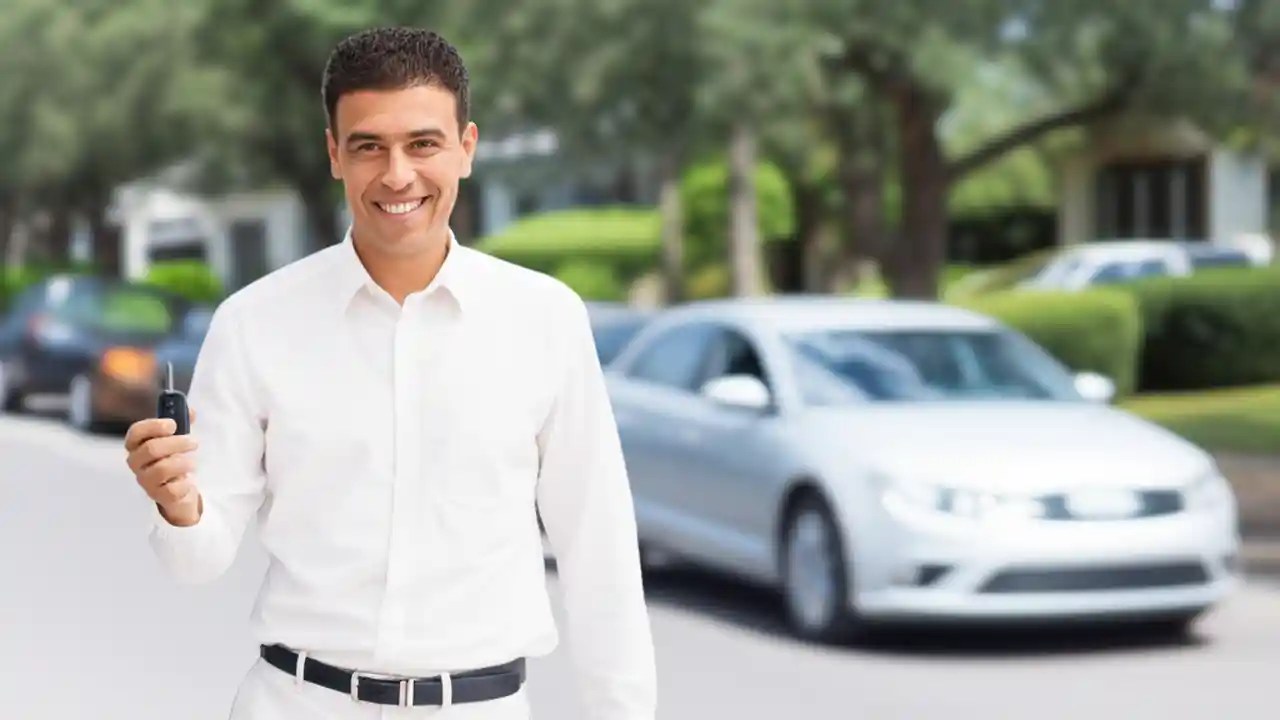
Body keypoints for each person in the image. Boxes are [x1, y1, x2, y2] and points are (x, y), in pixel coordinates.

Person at [123, 26, 656, 719]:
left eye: (423, 144)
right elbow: (197, 560)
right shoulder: (254, 323)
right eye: (369, 146)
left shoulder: (544, 319)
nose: (398, 174)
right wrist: (178, 504)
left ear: (467, 148)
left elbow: (599, 550)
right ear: (334, 155)